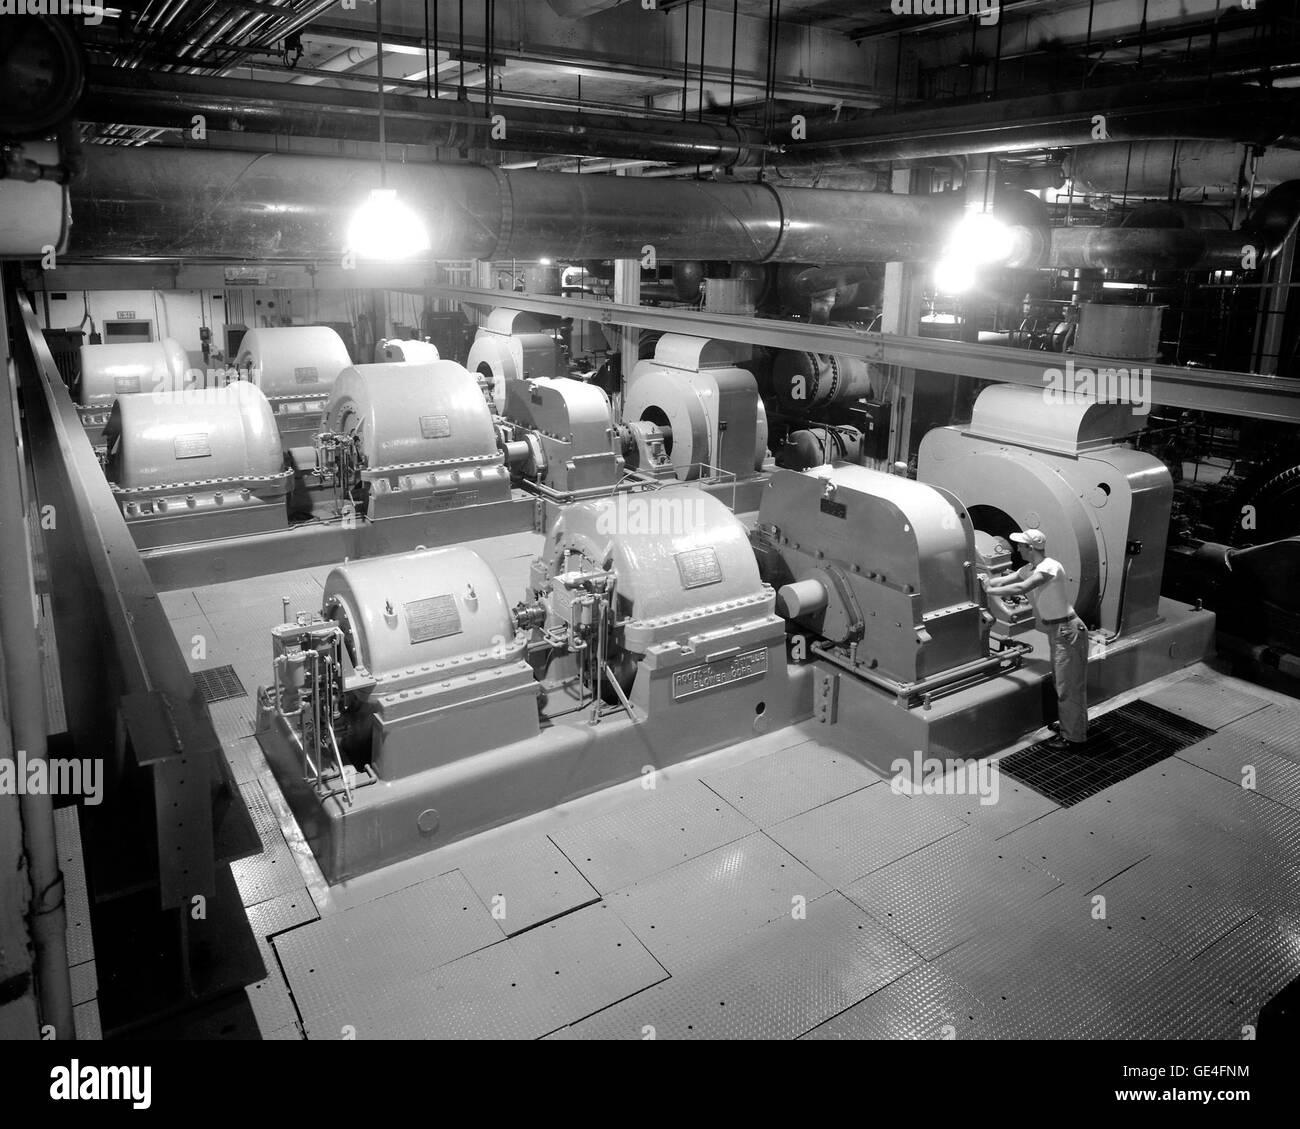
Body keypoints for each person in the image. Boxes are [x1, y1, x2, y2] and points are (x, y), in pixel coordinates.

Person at [982, 528, 1089, 752]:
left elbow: (1023, 586)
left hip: (1067, 629)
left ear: (1031, 548)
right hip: (1056, 630)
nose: (1017, 548)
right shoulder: (1028, 568)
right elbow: (1004, 581)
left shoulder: (1049, 566)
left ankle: (1074, 738)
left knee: (1068, 685)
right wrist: (985, 582)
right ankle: (1072, 725)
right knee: (1063, 681)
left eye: (1021, 545)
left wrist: (989, 592)